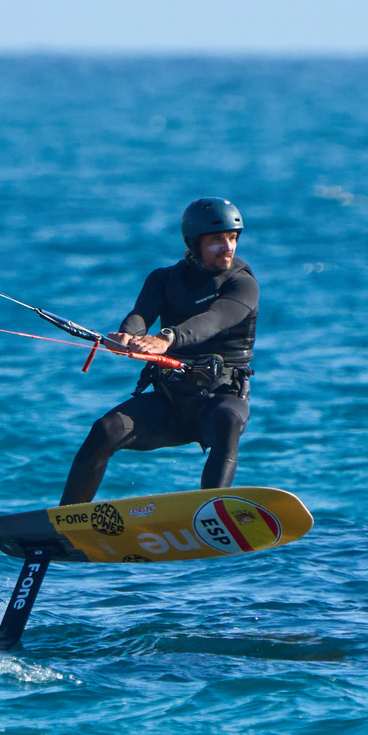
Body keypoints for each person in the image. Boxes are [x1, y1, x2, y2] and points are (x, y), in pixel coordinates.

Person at [59, 198, 258, 505]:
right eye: (217, 240)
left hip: (221, 398)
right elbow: (141, 314)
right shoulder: (163, 279)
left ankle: (211, 514)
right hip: (172, 401)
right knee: (105, 430)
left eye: (232, 238)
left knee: (227, 421)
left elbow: (214, 320)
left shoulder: (241, 284)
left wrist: (167, 338)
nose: (228, 247)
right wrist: (128, 335)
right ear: (194, 243)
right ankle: (68, 519)